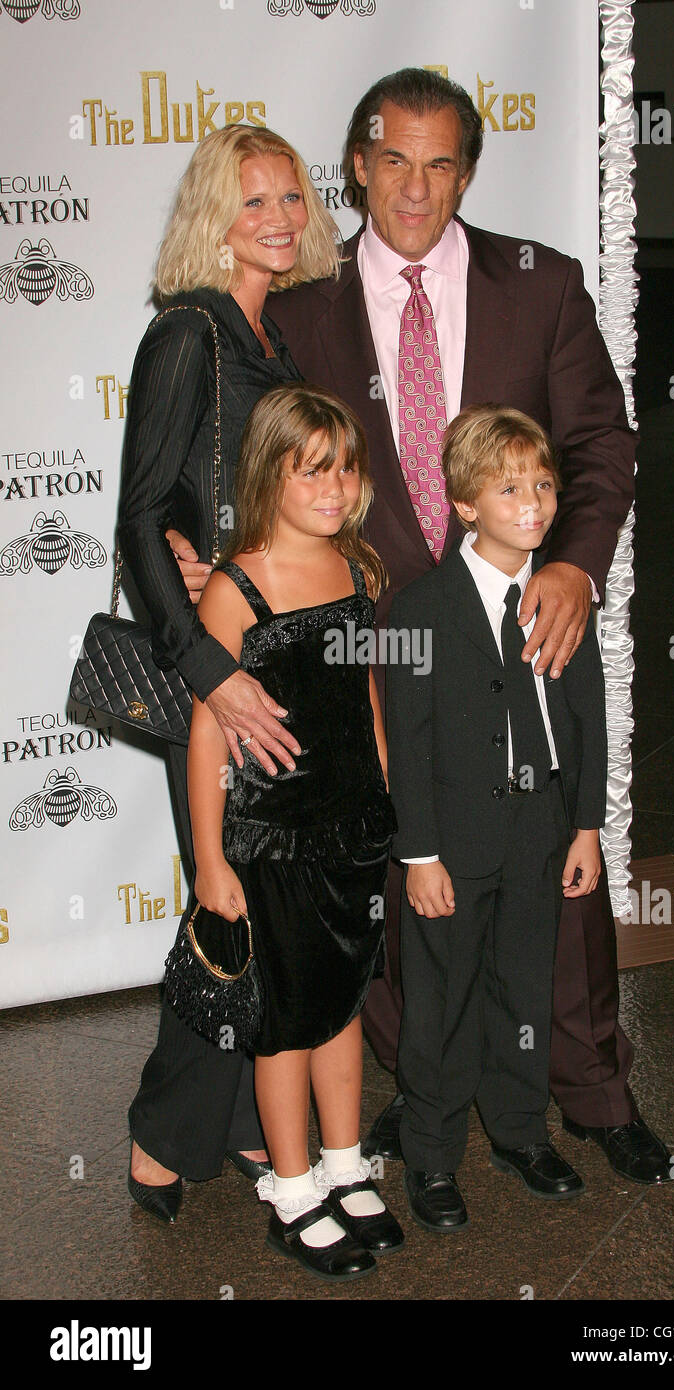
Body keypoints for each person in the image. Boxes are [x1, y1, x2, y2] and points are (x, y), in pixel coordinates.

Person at [265, 67, 673, 1188]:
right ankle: (427, 1080)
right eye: (394, 158)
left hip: (527, 619)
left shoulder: (539, 288)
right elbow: (269, 476)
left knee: (555, 872)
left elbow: (603, 445)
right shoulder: (303, 310)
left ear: (470, 171)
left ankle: (588, 1084)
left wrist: (578, 567)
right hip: (384, 641)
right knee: (414, 861)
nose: (416, 185)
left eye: (442, 162)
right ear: (356, 162)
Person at [119, 123, 342, 1223]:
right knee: (231, 893)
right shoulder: (189, 334)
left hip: (277, 650)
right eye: (253, 201)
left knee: (274, 894)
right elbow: (136, 516)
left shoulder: (273, 335)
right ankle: (167, 1132)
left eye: (290, 199)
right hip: (220, 663)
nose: (278, 220)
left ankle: (258, 1114)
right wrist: (211, 671)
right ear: (215, 214)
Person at [186, 382, 402, 1280]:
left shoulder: (357, 568)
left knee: (344, 1000)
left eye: (346, 469)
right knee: (283, 1021)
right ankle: (292, 1183)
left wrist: (385, 786)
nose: (335, 486)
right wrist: (208, 858)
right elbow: (208, 727)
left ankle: (348, 1162)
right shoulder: (239, 585)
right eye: (312, 470)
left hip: (351, 827)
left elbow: (367, 693)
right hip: (272, 839)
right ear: (268, 472)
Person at [386, 406, 607, 1228]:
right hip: (452, 836)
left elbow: (585, 712)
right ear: (465, 504)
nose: (534, 502)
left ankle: (520, 1130)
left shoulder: (561, 595)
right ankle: (433, 1154)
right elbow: (406, 747)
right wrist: (419, 855)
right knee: (441, 1000)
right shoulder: (419, 609)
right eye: (509, 486)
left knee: (525, 986)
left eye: (544, 484)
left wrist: (584, 825)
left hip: (539, 826)